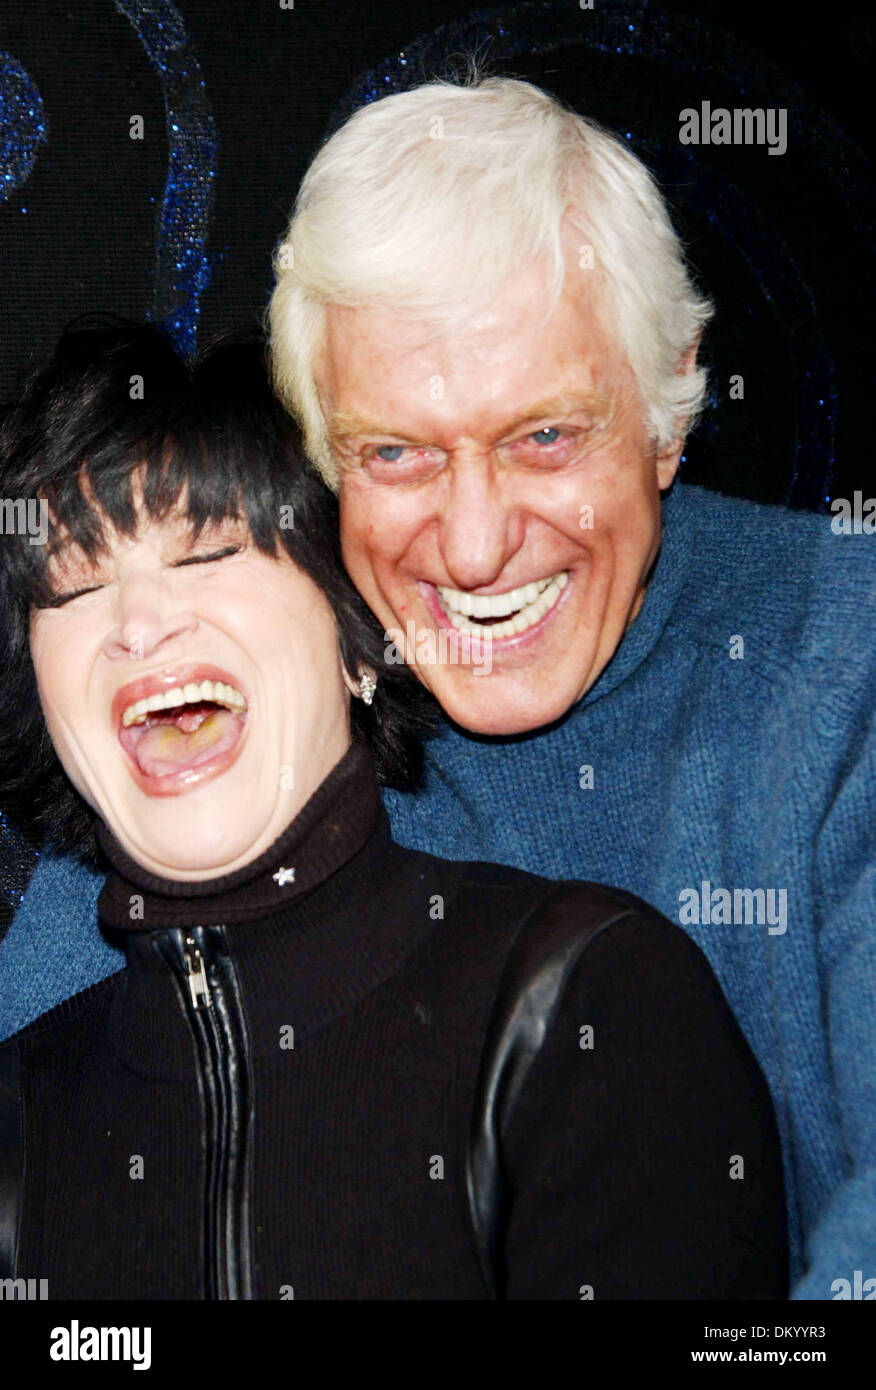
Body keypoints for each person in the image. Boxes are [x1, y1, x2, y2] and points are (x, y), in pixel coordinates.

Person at [3, 77, 874, 1299]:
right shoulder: (260, 737)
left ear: (672, 410)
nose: (471, 549)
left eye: (546, 438)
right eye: (396, 453)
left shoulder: (847, 655)